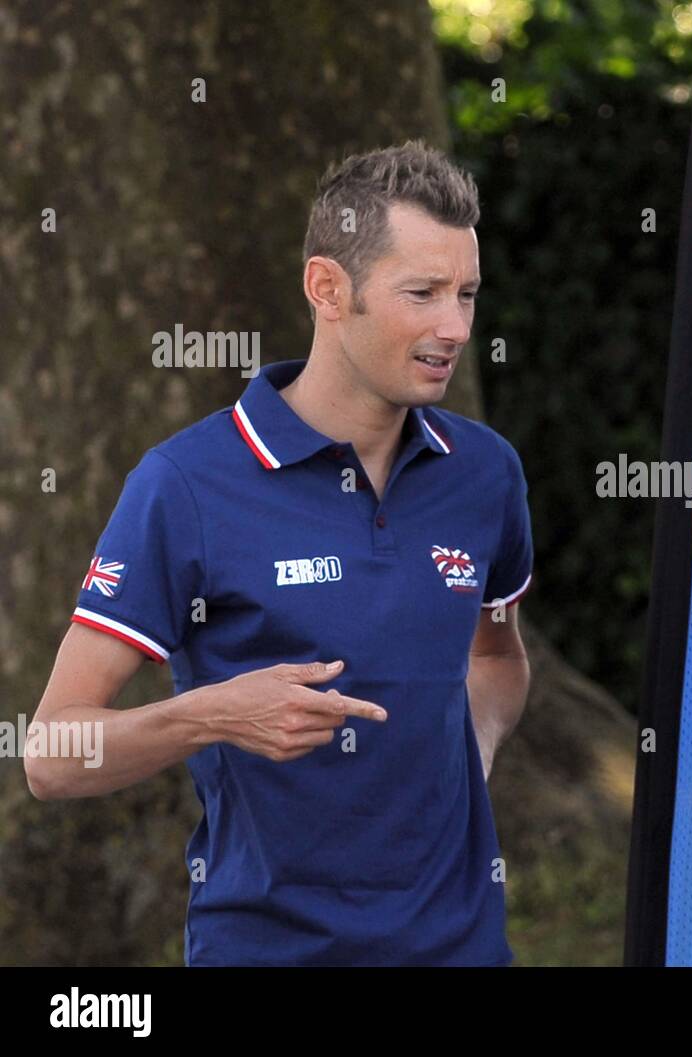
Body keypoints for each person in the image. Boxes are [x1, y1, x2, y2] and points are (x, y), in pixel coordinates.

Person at [25, 141, 533, 966]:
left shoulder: (484, 474)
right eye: (424, 294)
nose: (457, 327)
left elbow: (497, 653)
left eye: (468, 294)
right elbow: (49, 754)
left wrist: (463, 754)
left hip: (462, 949)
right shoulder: (186, 485)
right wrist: (213, 714)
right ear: (328, 289)